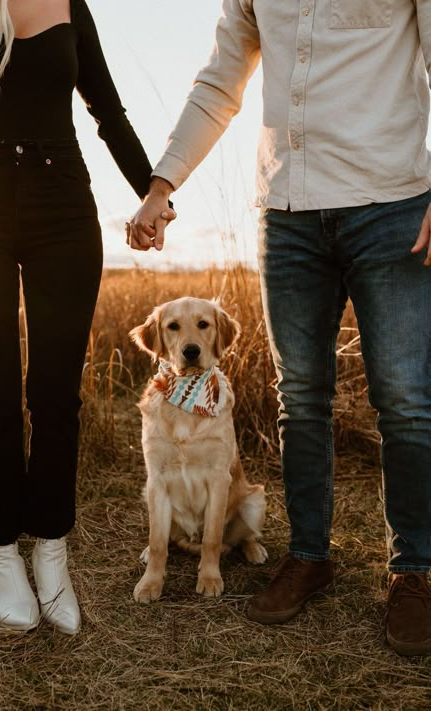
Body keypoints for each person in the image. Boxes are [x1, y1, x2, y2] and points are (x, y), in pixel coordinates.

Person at [127, 1, 431, 656]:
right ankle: (308, 554)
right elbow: (222, 76)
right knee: (301, 397)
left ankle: (415, 572)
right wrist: (162, 183)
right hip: (288, 209)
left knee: (407, 401)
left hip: (393, 202)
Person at [0, 0, 174, 634]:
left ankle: (51, 551)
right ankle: (1, 552)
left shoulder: (71, 4)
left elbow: (108, 111)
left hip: (63, 211)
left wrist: (154, 193)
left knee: (55, 395)